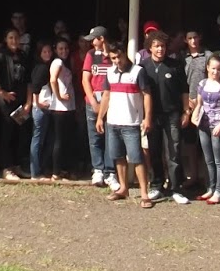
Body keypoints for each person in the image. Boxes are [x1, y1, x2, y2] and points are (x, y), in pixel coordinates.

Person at [96, 43, 154, 207]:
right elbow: (106, 95)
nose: (116, 61)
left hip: (131, 122)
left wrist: (147, 118)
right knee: (118, 156)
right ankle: (123, 188)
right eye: (113, 58)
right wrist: (100, 117)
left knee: (137, 158)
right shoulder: (110, 72)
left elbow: (147, 95)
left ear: (124, 54)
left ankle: (144, 193)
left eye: (118, 57)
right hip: (113, 121)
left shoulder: (138, 71)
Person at [142, 32, 189, 203]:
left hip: (172, 114)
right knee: (154, 151)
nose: (160, 49)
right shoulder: (143, 66)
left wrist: (186, 111)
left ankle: (176, 188)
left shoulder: (175, 65)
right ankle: (156, 185)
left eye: (162, 46)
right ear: (150, 48)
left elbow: (184, 90)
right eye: (156, 46)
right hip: (152, 115)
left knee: (173, 152)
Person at [0, 27, 30, 179]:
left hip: (21, 103)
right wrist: (1, 92)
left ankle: (17, 166)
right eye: (11, 38)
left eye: (16, 37)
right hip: (7, 103)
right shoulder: (0, 56)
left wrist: (28, 102)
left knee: (20, 134)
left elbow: (29, 81)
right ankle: (6, 168)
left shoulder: (23, 56)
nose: (14, 40)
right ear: (6, 40)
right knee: (7, 134)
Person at [189, 54, 220, 204]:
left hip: (218, 126)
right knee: (208, 159)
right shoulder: (202, 84)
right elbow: (199, 104)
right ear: (208, 68)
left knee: (219, 161)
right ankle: (211, 187)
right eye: (213, 68)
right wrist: (194, 115)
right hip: (203, 125)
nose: (216, 72)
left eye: (219, 69)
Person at [80, 25, 114, 186]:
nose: (91, 43)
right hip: (93, 101)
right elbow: (85, 80)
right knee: (94, 137)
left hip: (111, 102)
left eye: (94, 39)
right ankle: (98, 169)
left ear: (102, 39)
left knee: (110, 137)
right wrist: (92, 101)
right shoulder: (91, 55)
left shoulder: (114, 54)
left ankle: (110, 172)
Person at [44, 35, 77, 179]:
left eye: (66, 48)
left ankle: (62, 169)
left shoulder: (65, 62)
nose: (64, 51)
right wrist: (59, 96)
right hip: (59, 108)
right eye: (61, 48)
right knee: (58, 140)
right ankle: (55, 172)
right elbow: (53, 80)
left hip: (68, 107)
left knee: (65, 139)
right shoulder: (57, 62)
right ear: (56, 50)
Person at [28, 39, 55, 179]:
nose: (47, 54)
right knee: (38, 139)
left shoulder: (45, 66)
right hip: (40, 109)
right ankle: (35, 172)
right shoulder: (42, 68)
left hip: (43, 108)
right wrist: (38, 103)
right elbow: (35, 86)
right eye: (44, 52)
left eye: (49, 51)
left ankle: (40, 169)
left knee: (43, 139)